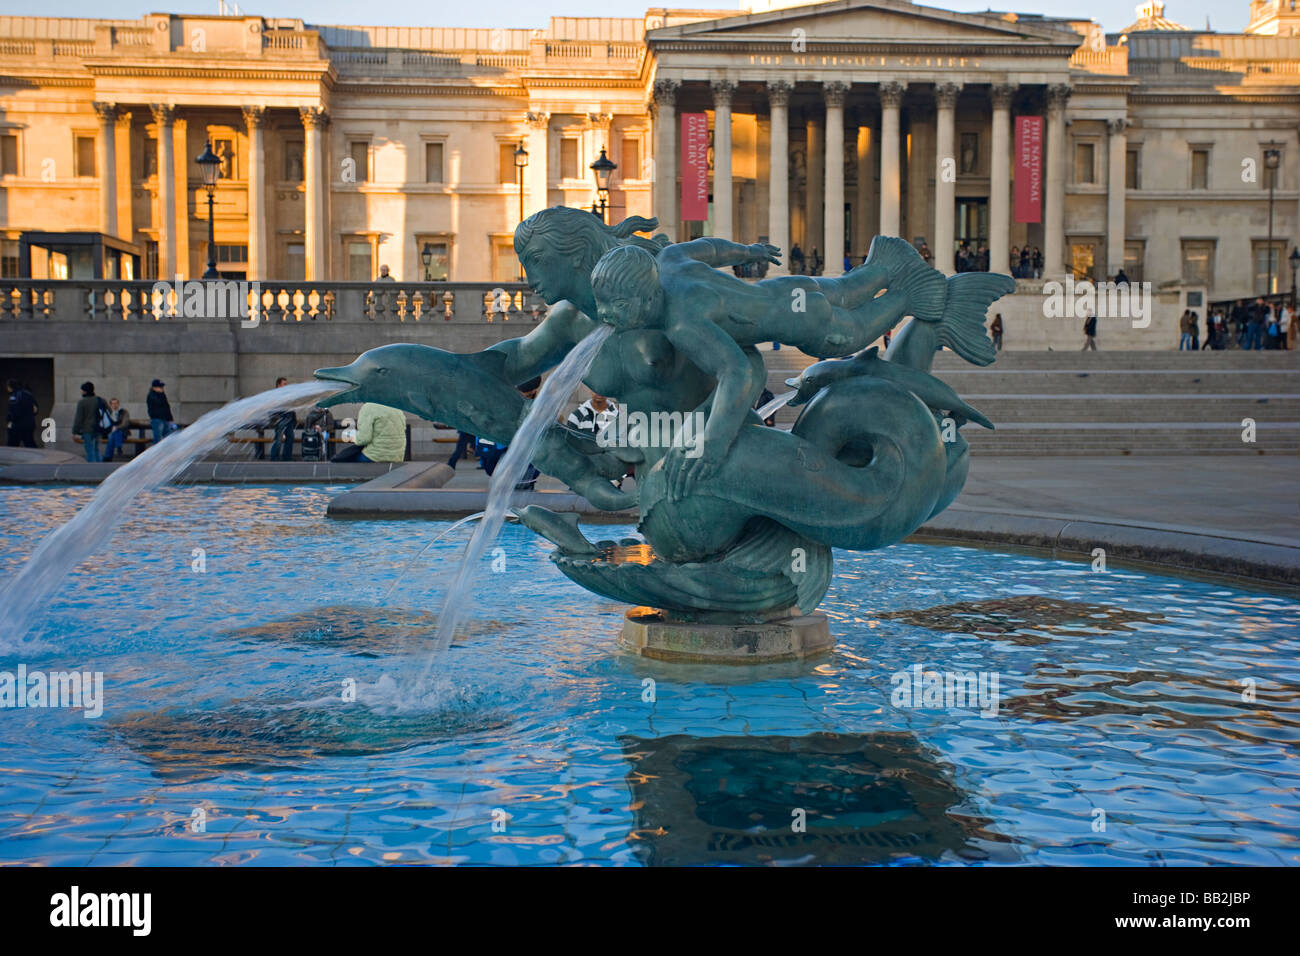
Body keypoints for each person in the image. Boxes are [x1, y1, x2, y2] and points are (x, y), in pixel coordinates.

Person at [331, 402, 406, 463]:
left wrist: (351, 435)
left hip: (375, 457)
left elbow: (364, 439)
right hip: (397, 457)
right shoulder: (397, 408)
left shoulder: (369, 407)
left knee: (343, 460)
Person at [73, 381, 103, 462]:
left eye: (82, 390)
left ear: (85, 391)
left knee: (89, 450)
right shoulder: (100, 400)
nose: (81, 392)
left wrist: (74, 432)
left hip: (87, 429)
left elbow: (78, 418)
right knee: (96, 449)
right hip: (98, 428)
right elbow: (108, 412)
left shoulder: (82, 402)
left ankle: (92, 468)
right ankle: (100, 466)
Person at [268, 376, 296, 461]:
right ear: (279, 385)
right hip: (280, 420)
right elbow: (271, 409)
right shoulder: (274, 395)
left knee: (290, 438)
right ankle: (274, 457)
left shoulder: (287, 395)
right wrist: (277, 420)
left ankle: (287, 457)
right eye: (284, 384)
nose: (286, 385)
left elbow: (290, 407)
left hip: (289, 419)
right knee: (279, 439)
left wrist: (293, 418)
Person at [5, 379, 37, 448]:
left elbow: (13, 411)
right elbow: (35, 409)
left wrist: (9, 420)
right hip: (29, 424)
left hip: (17, 425)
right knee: (30, 444)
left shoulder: (14, 396)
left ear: (11, 387)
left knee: (11, 446)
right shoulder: (29, 394)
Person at [147, 379, 175, 444]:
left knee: (168, 437)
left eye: (162, 387)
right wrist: (160, 394)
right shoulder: (151, 395)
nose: (162, 389)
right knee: (158, 438)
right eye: (160, 387)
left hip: (165, 419)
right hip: (157, 419)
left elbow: (167, 407)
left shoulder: (162, 395)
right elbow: (158, 404)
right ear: (154, 388)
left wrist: (170, 419)